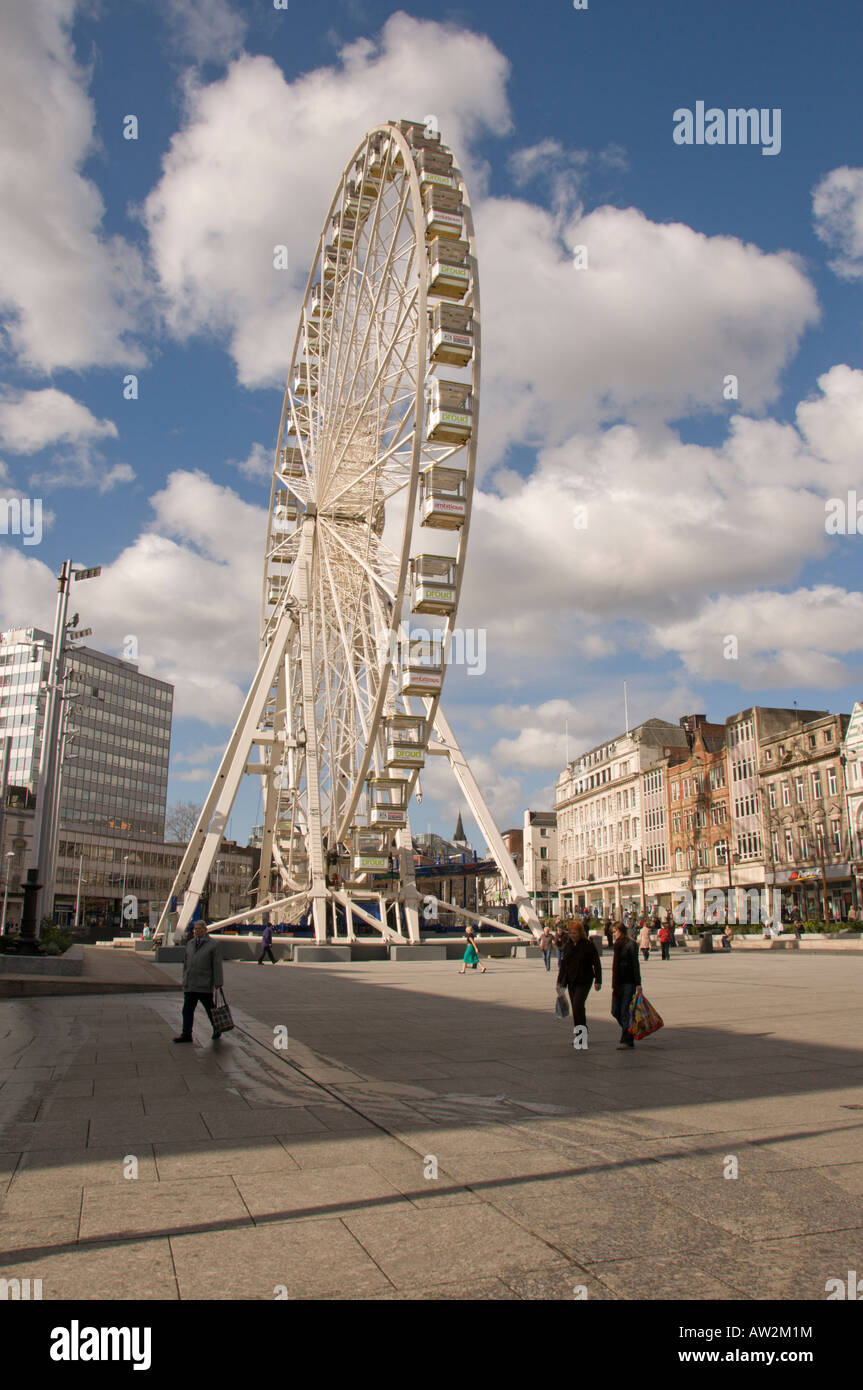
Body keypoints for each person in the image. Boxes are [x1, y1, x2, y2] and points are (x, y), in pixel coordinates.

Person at [174, 921, 224, 1044]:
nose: (196, 931)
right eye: (195, 929)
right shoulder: (190, 944)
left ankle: (217, 1028)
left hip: (204, 984)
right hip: (191, 983)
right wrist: (184, 978)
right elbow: (186, 963)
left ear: (205, 930)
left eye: (199, 929)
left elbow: (217, 964)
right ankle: (186, 1034)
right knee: (187, 1010)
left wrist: (218, 981)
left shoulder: (213, 945)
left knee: (210, 1009)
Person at [556, 919, 602, 1048]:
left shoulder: (588, 945)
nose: (572, 935)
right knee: (577, 1009)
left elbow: (596, 963)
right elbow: (564, 965)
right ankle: (580, 1035)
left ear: (580, 933)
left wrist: (598, 980)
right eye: (570, 933)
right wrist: (559, 982)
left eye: (575, 933)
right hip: (572, 981)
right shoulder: (568, 946)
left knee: (577, 1005)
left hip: (584, 980)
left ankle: (582, 1035)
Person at [611, 920, 641, 1050]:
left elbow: (635, 964)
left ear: (621, 931)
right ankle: (630, 1029)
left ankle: (626, 1040)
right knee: (615, 1011)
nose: (613, 934)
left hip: (628, 981)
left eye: (615, 931)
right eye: (612, 932)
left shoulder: (630, 944)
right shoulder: (617, 944)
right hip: (618, 982)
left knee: (624, 1011)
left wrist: (638, 983)